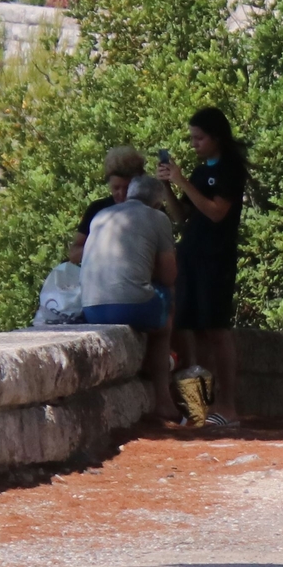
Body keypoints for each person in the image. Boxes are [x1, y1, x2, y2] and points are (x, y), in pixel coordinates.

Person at [161, 105, 247, 427]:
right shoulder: (199, 173)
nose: (194, 144)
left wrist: (182, 180)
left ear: (216, 137)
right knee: (196, 331)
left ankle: (228, 405)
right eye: (192, 138)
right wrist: (167, 186)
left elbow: (215, 212)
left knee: (217, 330)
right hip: (192, 257)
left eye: (199, 138)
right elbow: (181, 216)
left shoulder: (229, 169)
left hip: (216, 259)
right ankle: (202, 407)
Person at [80, 174, 180, 422]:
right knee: (166, 313)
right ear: (157, 203)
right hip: (131, 307)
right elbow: (169, 275)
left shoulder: (101, 215)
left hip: (91, 307)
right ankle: (164, 400)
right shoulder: (158, 218)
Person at [68, 145, 147, 265]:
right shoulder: (97, 209)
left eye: (127, 188)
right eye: (116, 188)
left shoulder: (151, 210)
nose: (121, 193)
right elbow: (74, 254)